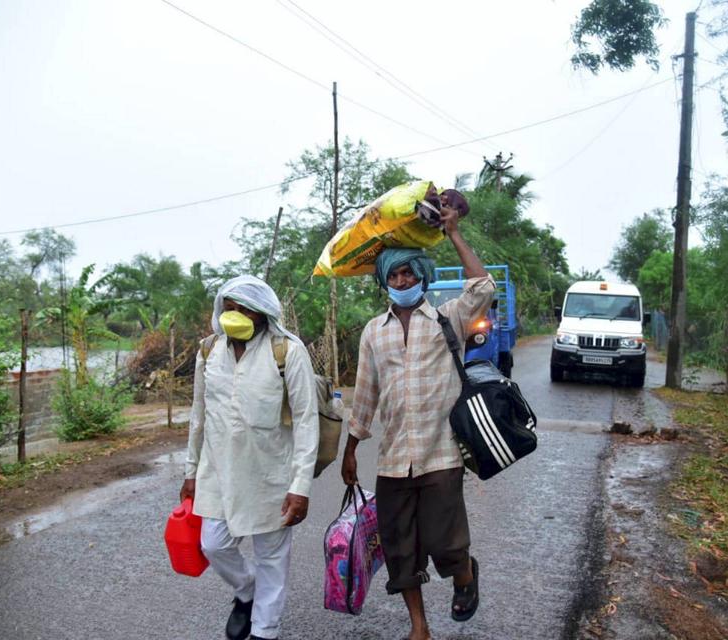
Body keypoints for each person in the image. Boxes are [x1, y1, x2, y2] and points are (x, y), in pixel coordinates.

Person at [341, 203, 495, 640]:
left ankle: (464, 574)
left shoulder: (448, 318)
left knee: (446, 543)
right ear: (384, 282)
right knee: (400, 550)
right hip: (393, 460)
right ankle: (419, 627)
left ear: (422, 276)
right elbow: (365, 392)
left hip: (440, 452)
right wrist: (351, 448)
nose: (402, 281)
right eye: (393, 275)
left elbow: (482, 287)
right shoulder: (374, 331)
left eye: (408, 273)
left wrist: (454, 233)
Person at [181, 275, 319, 640]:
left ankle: (265, 629)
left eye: (245, 309)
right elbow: (198, 415)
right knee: (214, 544)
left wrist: (300, 486)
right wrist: (190, 471)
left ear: (262, 313)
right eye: (229, 307)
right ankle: (246, 591)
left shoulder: (287, 351)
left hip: (271, 473)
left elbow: (306, 420)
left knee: (271, 556)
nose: (235, 315)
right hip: (217, 472)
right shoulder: (209, 350)